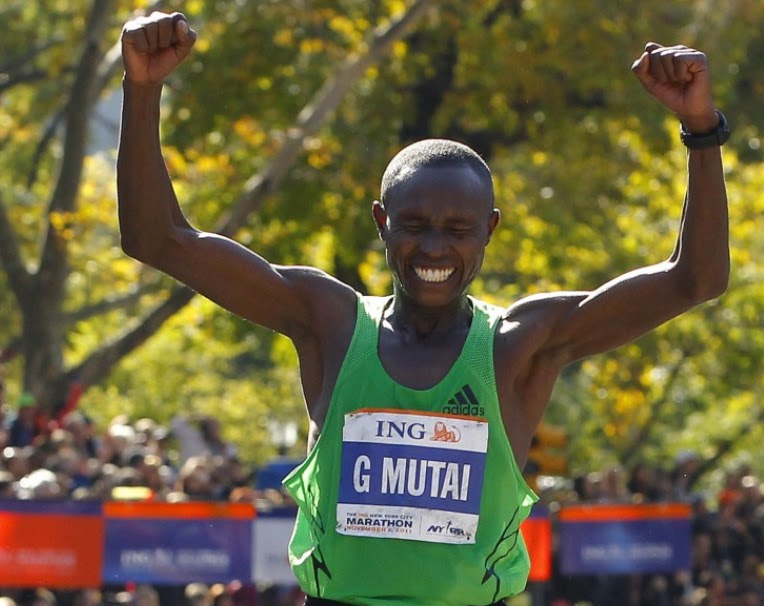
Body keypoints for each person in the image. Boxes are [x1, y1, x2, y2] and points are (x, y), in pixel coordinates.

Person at [117, 11, 729, 606]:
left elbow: (696, 279)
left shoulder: (519, 343)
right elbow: (156, 239)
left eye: (458, 230)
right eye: (414, 225)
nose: (434, 249)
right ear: (381, 222)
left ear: (489, 230)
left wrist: (701, 132)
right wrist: (141, 90)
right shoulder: (330, 322)